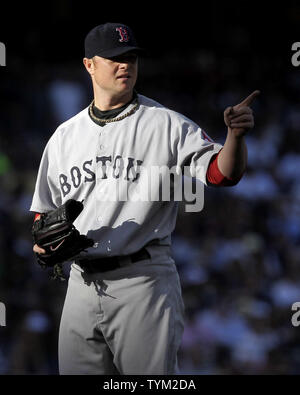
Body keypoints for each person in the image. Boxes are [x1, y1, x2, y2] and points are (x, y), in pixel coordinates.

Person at [30, 22, 259, 375]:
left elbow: (222, 174)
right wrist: (43, 246)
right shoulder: (64, 137)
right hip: (81, 283)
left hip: (143, 280)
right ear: (89, 65)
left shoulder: (166, 124)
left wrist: (235, 137)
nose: (126, 65)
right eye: (115, 58)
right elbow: (42, 217)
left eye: (131, 58)